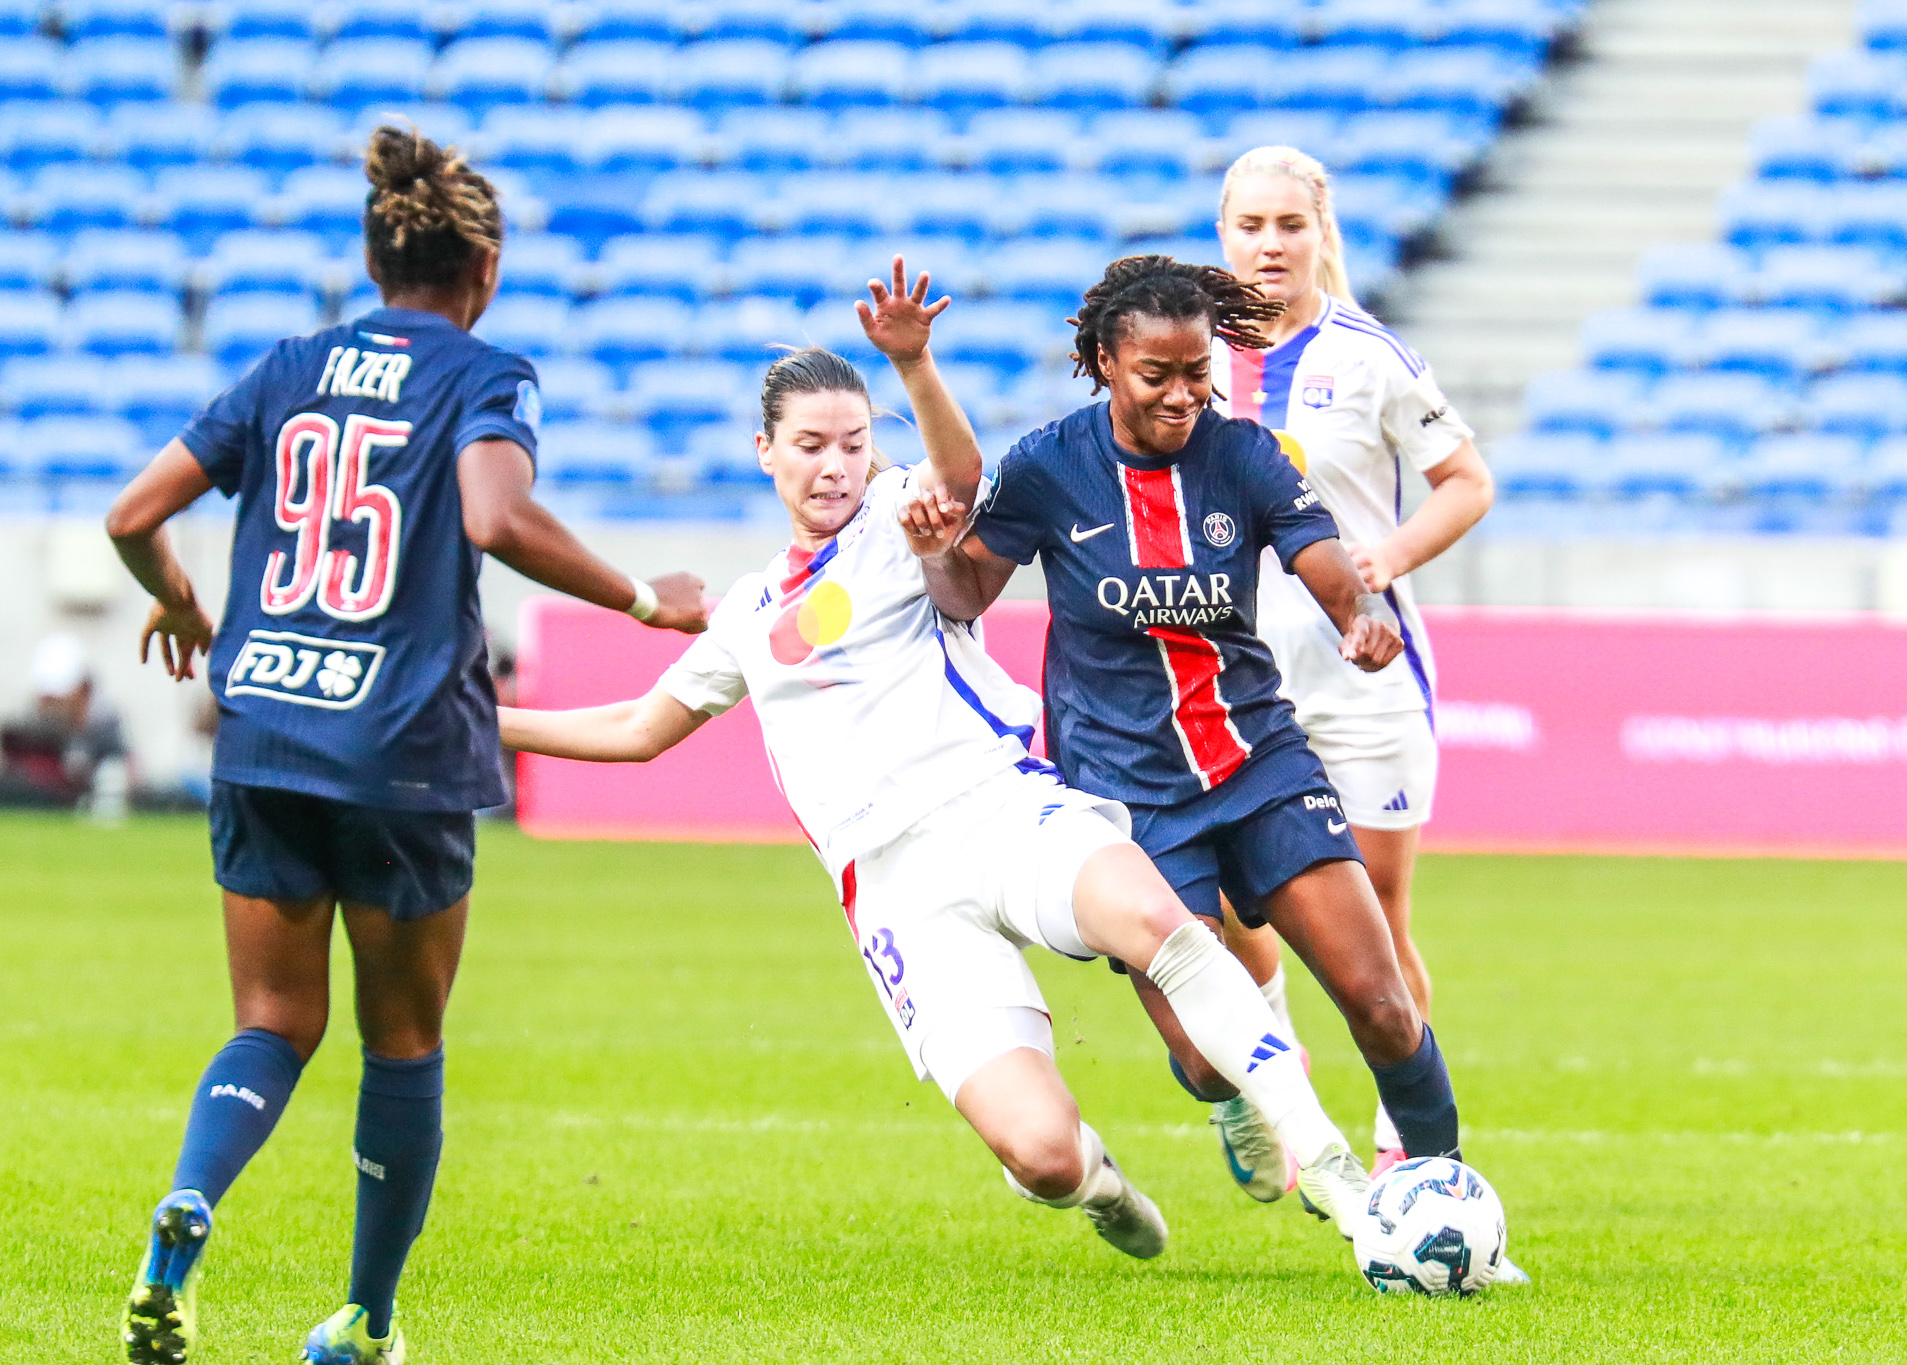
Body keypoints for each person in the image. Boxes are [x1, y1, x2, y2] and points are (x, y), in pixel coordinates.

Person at [499, 259, 1395, 1276]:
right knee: (1040, 1154)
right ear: (764, 454)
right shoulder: (746, 616)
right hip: (893, 888)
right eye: (809, 447)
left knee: (1165, 929)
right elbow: (636, 727)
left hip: (1000, 808)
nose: (835, 466)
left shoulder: (898, 515)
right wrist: (486, 723)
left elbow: (963, 481)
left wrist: (914, 364)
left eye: (853, 442)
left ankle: (1331, 1172)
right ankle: (1097, 1182)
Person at [103, 126, 706, 1365]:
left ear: (377, 258)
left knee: (271, 1020)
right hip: (402, 747)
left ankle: (193, 1204)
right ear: (479, 269)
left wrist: (176, 595)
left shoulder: (289, 365)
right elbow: (492, 511)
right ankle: (365, 1321)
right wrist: (645, 600)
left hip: (264, 723)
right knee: (404, 1041)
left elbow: (131, 514)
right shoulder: (484, 372)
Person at [902, 253, 1478, 1232]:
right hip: (1125, 800)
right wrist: (929, 547)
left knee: (1380, 1003)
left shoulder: (1246, 454)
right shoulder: (1046, 466)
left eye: (1196, 371)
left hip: (1258, 764)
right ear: (1100, 365)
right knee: (1207, 1063)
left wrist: (1358, 615)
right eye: (1154, 375)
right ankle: (1242, 1091)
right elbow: (964, 594)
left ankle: (1444, 1197)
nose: (1181, 395)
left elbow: (1320, 559)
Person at [1209, 146, 1496, 1165]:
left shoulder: (1369, 355)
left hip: (1361, 679)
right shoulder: (1184, 357)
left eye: (1289, 225)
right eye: (1250, 226)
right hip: (1227, 687)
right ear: (1222, 236)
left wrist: (1385, 553)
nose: (1270, 244)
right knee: (1222, 907)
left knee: (1375, 920)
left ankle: (1402, 1155)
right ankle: (1260, 1061)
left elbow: (1465, 481)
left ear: (1320, 233)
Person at [0, 634, 129, 809]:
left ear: (83, 689)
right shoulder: (25, 735)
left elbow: (128, 772)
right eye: (47, 698)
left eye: (59, 697)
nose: (53, 705)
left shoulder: (105, 731)